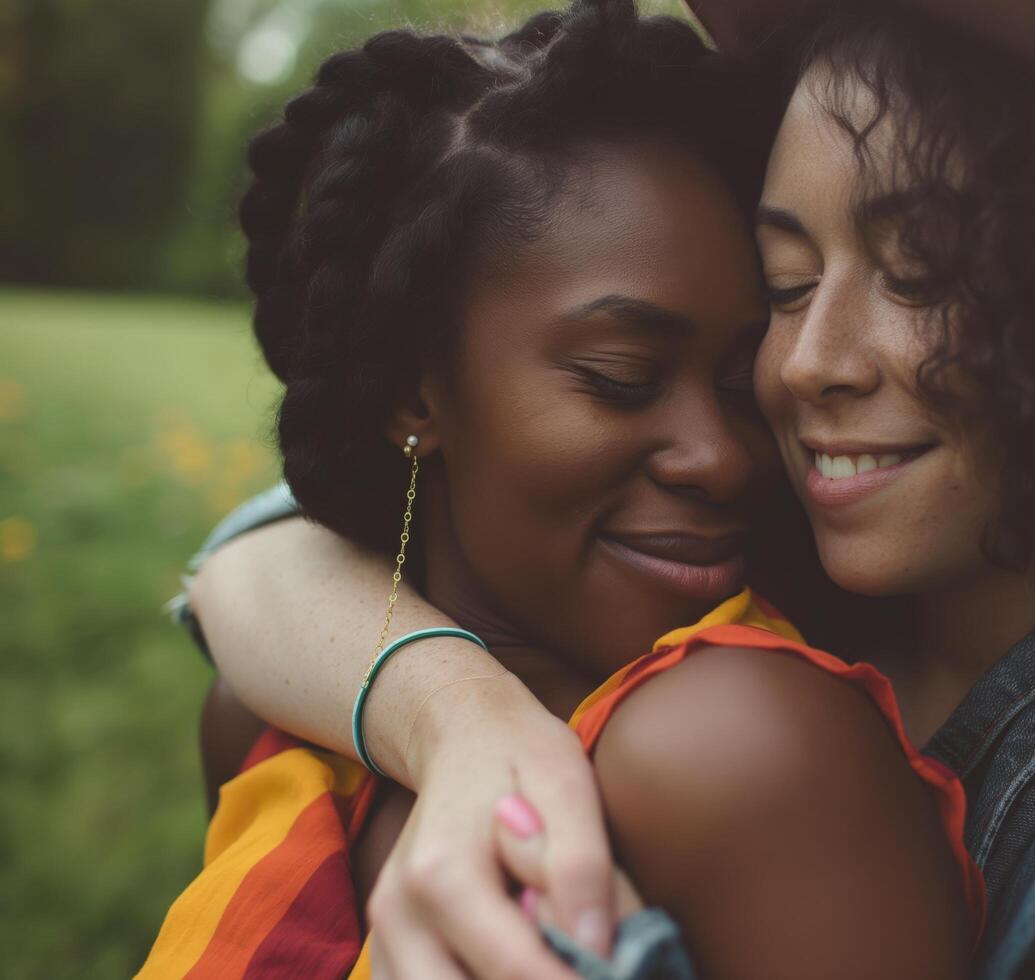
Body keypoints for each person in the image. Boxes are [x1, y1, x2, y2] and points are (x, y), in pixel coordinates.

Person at [182, 0, 1035, 976]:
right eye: (787, 286)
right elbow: (262, 551)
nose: (806, 366)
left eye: (923, 270)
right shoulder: (783, 563)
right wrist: (456, 719)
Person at [139, 4, 984, 979]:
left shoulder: (743, 748)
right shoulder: (269, 722)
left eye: (738, 373)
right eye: (622, 377)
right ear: (415, 389)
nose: (723, 456)